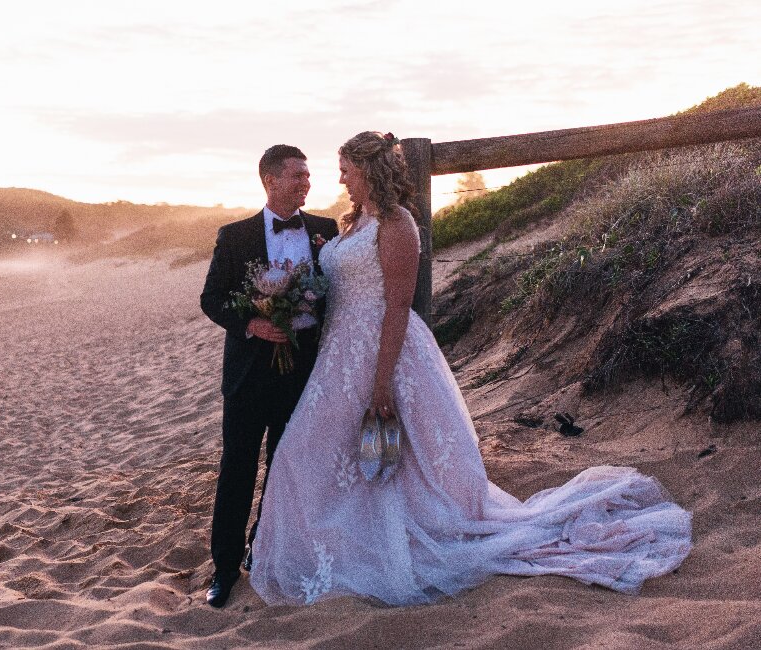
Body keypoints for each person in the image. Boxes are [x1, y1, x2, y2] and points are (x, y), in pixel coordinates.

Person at [248, 131, 693, 607]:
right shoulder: (353, 222)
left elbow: (397, 305)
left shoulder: (397, 224)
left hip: (382, 353)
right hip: (338, 355)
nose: (340, 179)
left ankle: (389, 542)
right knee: (305, 451)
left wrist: (382, 382)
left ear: (369, 171)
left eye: (347, 171)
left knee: (381, 459)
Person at [200, 144, 341, 608]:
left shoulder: (325, 230)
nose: (306, 182)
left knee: (286, 465)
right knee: (237, 467)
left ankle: (264, 549)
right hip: (248, 372)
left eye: (308, 175)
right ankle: (224, 568)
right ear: (270, 181)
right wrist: (252, 323)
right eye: (297, 175)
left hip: (303, 369)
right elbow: (213, 299)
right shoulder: (235, 235)